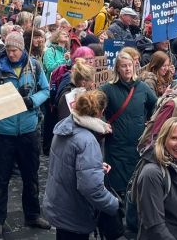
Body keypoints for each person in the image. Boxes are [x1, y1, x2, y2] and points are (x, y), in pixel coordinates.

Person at [0, 31, 51, 237]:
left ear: (22, 48)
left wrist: (32, 101)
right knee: (1, 179)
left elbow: (45, 90)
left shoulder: (35, 66)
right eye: (8, 50)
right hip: (5, 132)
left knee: (31, 176)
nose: (11, 53)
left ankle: (33, 214)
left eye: (14, 50)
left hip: (29, 130)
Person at [44, 90, 120, 240]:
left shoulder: (65, 126)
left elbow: (68, 164)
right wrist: (114, 204)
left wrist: (95, 166)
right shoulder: (87, 141)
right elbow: (91, 189)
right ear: (100, 112)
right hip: (74, 212)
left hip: (60, 205)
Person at [100, 52, 158, 234]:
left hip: (137, 146)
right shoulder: (107, 89)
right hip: (116, 146)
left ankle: (133, 224)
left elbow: (155, 105)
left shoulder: (141, 87)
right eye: (123, 66)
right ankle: (117, 225)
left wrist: (148, 122)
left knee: (136, 185)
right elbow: (97, 109)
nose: (127, 69)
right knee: (117, 185)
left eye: (130, 66)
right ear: (117, 68)